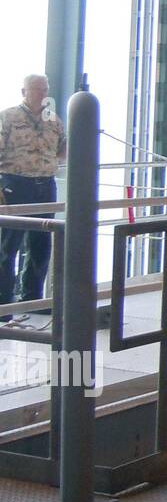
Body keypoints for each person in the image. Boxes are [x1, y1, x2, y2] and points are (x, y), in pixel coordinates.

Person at [0, 74, 66, 320]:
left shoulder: (52, 119)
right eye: (35, 88)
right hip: (15, 185)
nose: (40, 93)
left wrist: (47, 163)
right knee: (9, 246)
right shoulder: (8, 117)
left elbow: (63, 146)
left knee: (41, 244)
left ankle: (31, 299)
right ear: (23, 91)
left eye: (44, 88)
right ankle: (4, 305)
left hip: (45, 185)